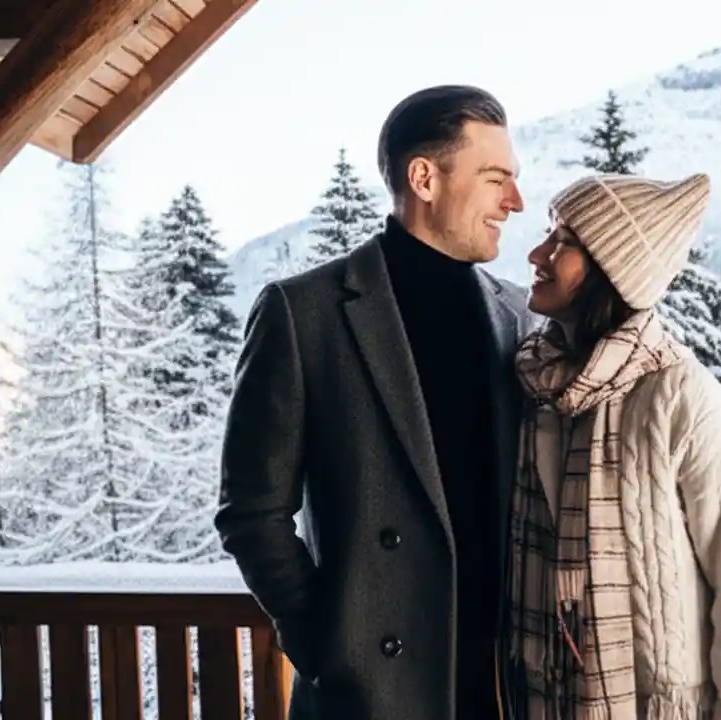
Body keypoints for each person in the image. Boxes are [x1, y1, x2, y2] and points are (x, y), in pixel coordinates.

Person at [214, 85, 536, 720]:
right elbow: (251, 514)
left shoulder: (520, 317)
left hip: (504, 689)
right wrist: (330, 646)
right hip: (371, 696)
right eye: (496, 178)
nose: (515, 201)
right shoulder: (302, 314)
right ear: (424, 177)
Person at [502, 172, 721, 719]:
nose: (538, 253)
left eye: (564, 242)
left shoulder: (679, 396)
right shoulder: (535, 387)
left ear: (612, 269)